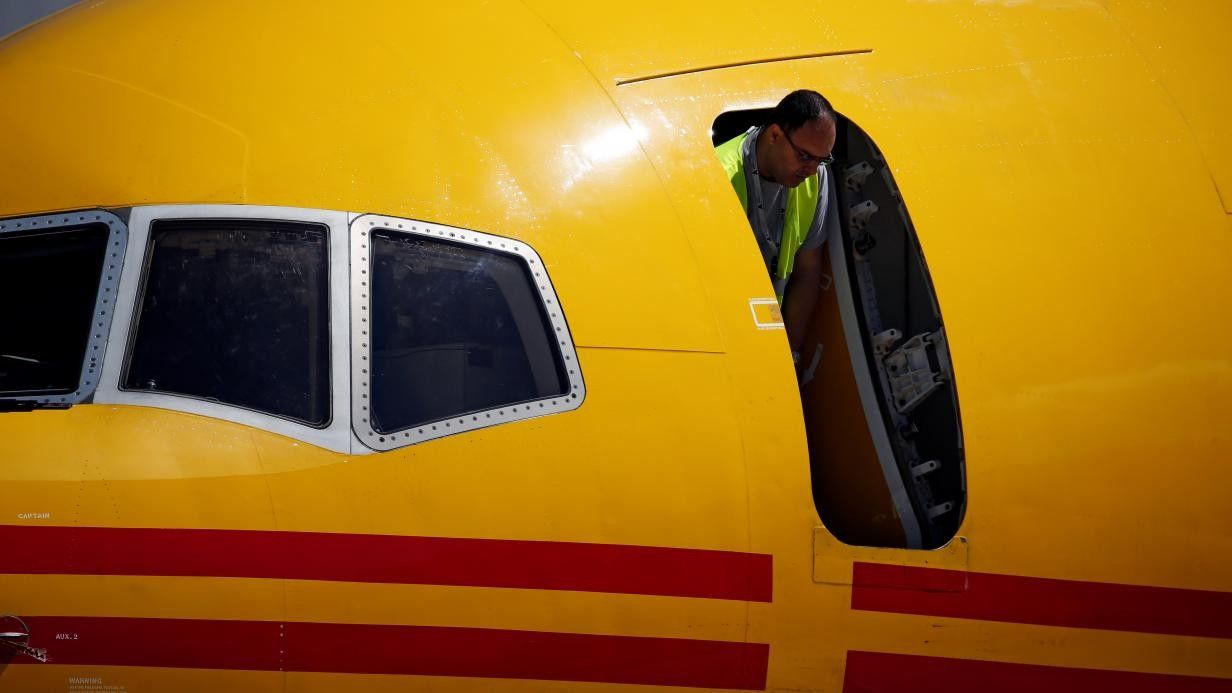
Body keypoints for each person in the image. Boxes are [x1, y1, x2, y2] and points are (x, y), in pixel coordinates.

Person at [715, 90, 836, 367]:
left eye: (822, 159)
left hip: (767, 340)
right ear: (774, 136)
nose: (812, 169)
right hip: (724, 334)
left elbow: (807, 271)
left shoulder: (816, 176)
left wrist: (788, 355)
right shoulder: (719, 175)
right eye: (805, 156)